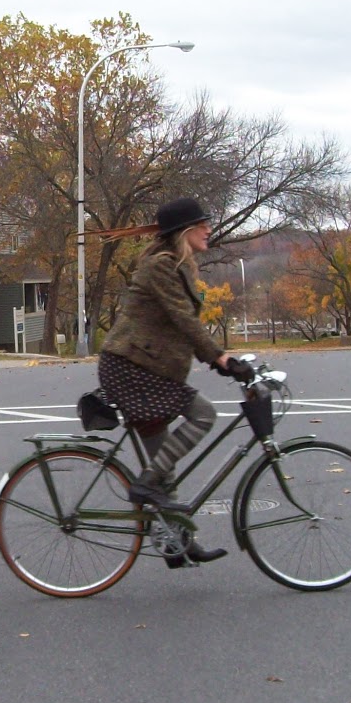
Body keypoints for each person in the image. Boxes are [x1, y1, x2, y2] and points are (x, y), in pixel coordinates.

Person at [98, 197, 247, 566]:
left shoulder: (177, 265)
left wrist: (214, 358)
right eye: (203, 223)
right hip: (132, 368)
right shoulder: (161, 267)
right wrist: (219, 356)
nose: (209, 228)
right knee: (203, 415)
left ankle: (178, 541)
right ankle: (146, 483)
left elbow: (180, 323)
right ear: (184, 231)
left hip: (145, 367)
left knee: (167, 465)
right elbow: (183, 318)